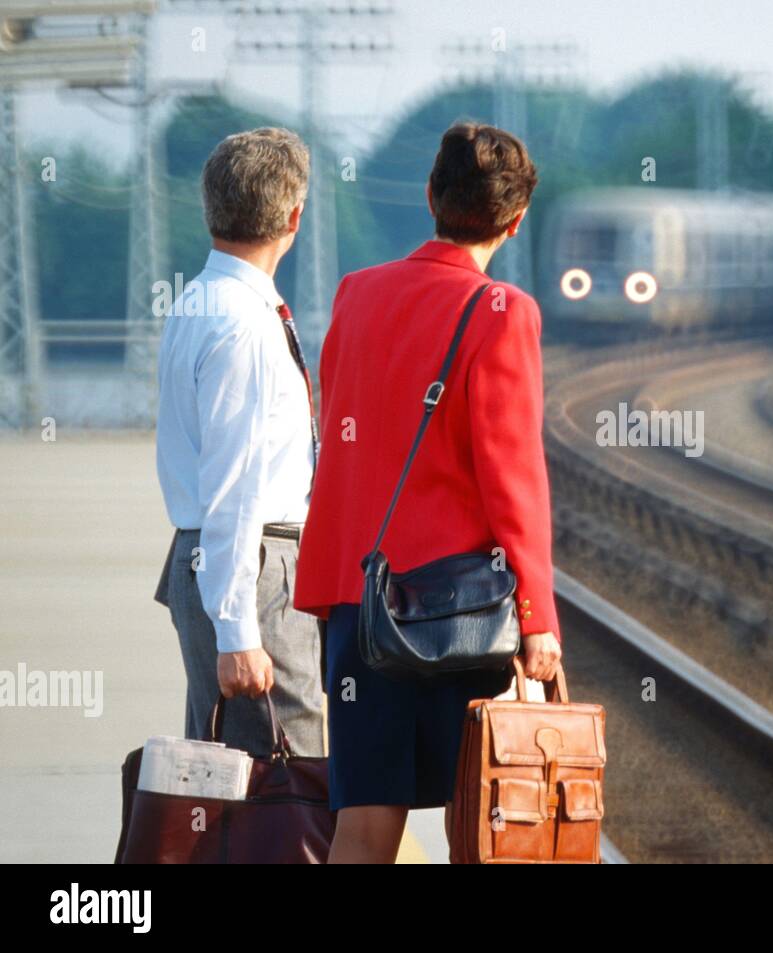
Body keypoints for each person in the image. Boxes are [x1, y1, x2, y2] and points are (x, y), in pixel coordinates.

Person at [293, 122, 562, 863]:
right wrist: (536, 612)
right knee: (482, 816)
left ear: (430, 197)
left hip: (363, 604)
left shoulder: (356, 294)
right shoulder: (505, 313)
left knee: (365, 818)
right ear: (515, 220)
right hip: (461, 611)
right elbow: (513, 476)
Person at [154, 127, 325, 757]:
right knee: (293, 780)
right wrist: (236, 630)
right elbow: (234, 482)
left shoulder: (196, 302)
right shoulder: (245, 324)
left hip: (209, 557)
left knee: (227, 784)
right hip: (251, 570)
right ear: (294, 217)